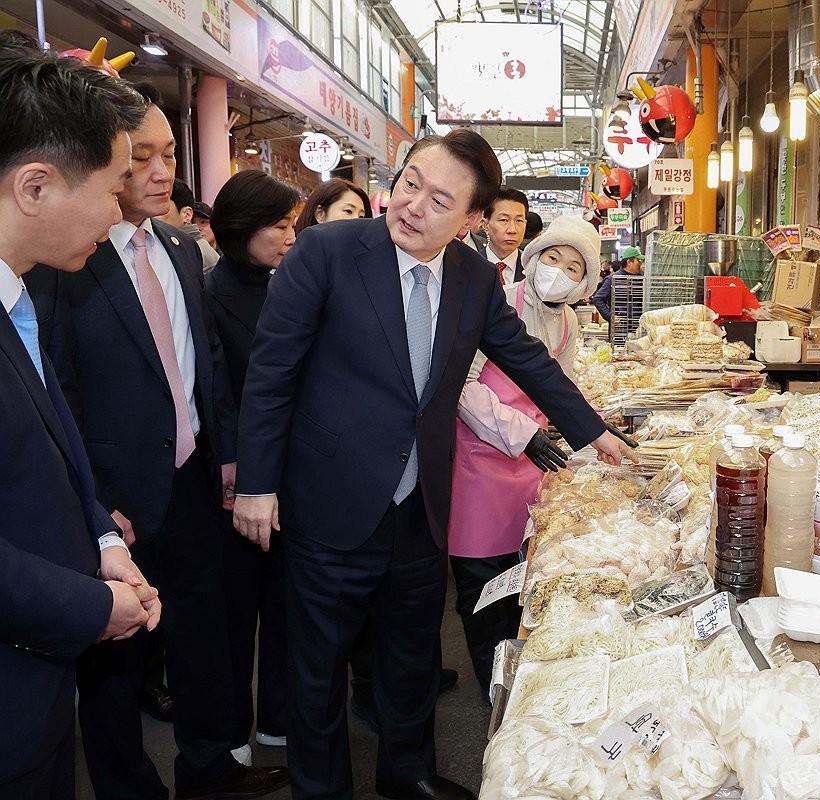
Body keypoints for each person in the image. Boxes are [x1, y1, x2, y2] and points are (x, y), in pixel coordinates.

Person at [232, 128, 637, 800]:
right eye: (411, 184)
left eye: (440, 200)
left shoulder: (474, 279)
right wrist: (256, 484)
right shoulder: (329, 252)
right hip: (331, 496)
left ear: (471, 219)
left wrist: (592, 432)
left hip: (420, 501)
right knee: (318, 667)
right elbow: (271, 373)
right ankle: (321, 789)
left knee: (412, 652)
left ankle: (409, 772)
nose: (414, 205)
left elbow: (525, 358)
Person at [54, 85, 289, 800]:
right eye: (141, 159)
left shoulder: (184, 248)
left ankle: (210, 769)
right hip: (115, 499)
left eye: (170, 156)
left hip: (191, 479)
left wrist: (228, 453)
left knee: (203, 639)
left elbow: (205, 361)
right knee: (115, 662)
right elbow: (58, 388)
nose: (161, 174)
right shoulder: (67, 259)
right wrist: (92, 504)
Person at [0, 46, 162, 800]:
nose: (119, 209)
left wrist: (100, 539)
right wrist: (93, 608)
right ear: (35, 186)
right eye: (112, 185)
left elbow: (46, 450)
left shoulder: (20, 296)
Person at [448, 215, 604, 695]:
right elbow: (462, 386)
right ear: (534, 257)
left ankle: (516, 679)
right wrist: (524, 434)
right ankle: (491, 685)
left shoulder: (568, 322)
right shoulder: (496, 302)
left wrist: (590, 429)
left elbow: (560, 386)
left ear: (585, 282)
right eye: (552, 257)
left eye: (573, 267)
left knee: (521, 578)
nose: (558, 271)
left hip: (530, 468)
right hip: (479, 460)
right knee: (481, 585)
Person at [205, 170, 297, 751]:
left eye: (293, 225)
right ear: (242, 228)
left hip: (294, 469)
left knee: (286, 603)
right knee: (235, 612)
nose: (291, 237)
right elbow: (215, 392)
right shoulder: (207, 295)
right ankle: (232, 730)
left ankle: (278, 720)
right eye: (279, 226)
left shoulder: (288, 287)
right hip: (236, 474)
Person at [161, 178, 220, 271]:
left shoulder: (195, 252)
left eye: (162, 210)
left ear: (187, 214)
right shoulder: (171, 246)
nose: (152, 217)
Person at [481, 185, 529, 286]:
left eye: (519, 221)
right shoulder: (469, 265)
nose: (512, 230)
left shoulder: (532, 269)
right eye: (504, 220)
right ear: (485, 225)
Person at [294, 177, 370, 235]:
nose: (357, 220)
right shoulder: (297, 250)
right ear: (320, 214)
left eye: (361, 217)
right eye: (348, 211)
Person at [592, 244, 644, 322]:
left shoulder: (641, 279)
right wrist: (610, 316)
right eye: (638, 261)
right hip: (619, 326)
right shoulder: (612, 279)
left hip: (638, 325)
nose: (640, 264)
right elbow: (598, 299)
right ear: (629, 262)